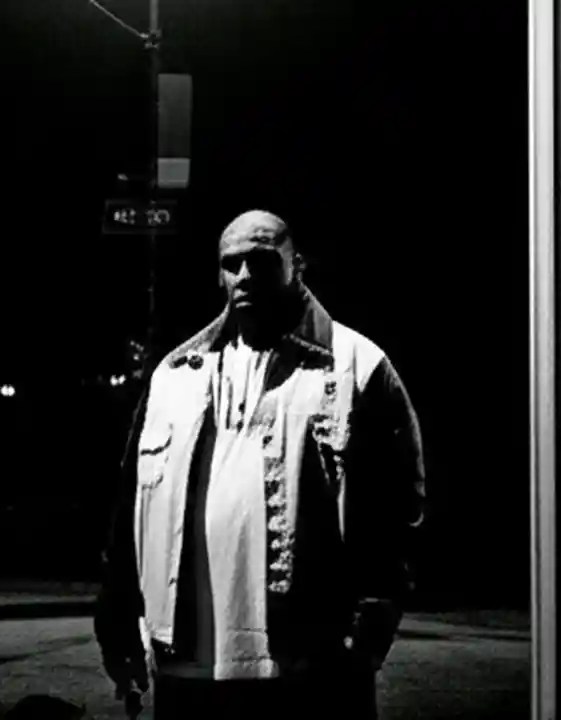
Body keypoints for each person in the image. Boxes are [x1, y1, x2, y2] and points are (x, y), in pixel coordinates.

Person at [95, 210, 426, 719]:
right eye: (232, 263)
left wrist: (371, 627)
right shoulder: (173, 376)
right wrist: (116, 617)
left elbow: (399, 507)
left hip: (311, 663)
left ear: (298, 266)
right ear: (219, 274)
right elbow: (130, 508)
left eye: (262, 260)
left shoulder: (358, 367)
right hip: (186, 661)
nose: (245, 274)